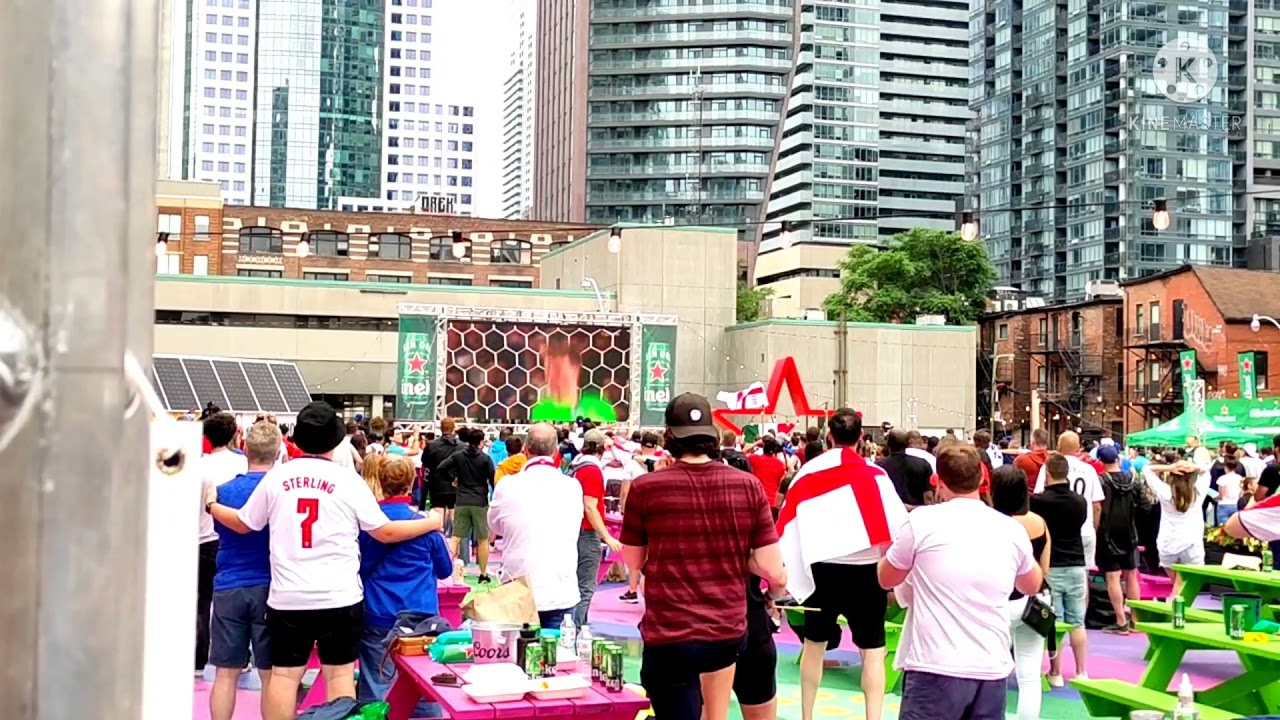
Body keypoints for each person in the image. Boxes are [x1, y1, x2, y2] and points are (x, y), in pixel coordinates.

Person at [204, 401, 443, 720]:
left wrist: (212, 506)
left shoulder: (277, 478)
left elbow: (245, 523)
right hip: (340, 597)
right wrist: (430, 522)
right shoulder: (348, 481)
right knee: (339, 675)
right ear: (336, 440)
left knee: (285, 675)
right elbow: (384, 532)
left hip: (288, 597)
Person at [620, 394, 786, 720]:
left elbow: (633, 560)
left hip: (670, 633)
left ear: (669, 436)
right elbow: (772, 569)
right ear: (710, 435)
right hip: (727, 634)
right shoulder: (748, 486)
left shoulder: (646, 488)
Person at [878, 444, 1042, 720]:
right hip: (990, 665)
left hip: (934, 664)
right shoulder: (1010, 529)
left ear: (939, 482)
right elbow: (1032, 584)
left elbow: (886, 578)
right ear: (981, 477)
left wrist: (888, 551)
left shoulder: (921, 522)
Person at [780, 408, 909, 720]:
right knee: (873, 652)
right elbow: (898, 529)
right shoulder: (875, 475)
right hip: (868, 573)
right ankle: (873, 717)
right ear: (862, 436)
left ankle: (806, 715)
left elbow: (790, 523)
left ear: (829, 437)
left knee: (814, 645)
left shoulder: (807, 474)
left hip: (823, 571)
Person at [357, 456, 453, 711]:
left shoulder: (369, 524)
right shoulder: (426, 527)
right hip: (420, 615)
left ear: (380, 481)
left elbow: (360, 566)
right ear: (411, 483)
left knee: (377, 683)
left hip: (378, 611)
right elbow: (445, 570)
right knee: (423, 683)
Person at [208, 422, 278, 720]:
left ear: (244, 447)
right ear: (278, 453)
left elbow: (221, 530)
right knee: (270, 674)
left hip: (229, 584)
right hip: (270, 586)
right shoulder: (281, 491)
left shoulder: (223, 492)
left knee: (226, 673)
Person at [488, 423, 584, 627]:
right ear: (556, 451)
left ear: (525, 449)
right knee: (558, 656)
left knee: (516, 655)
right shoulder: (572, 486)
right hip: (559, 588)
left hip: (519, 586)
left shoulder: (507, 485)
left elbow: (494, 527)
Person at [989, 465, 1050, 720]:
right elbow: (1044, 569)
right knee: (1030, 675)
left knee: (993, 671)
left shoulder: (992, 525)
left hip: (1001, 601)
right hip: (1035, 601)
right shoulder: (1039, 523)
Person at [1030, 453, 1089, 687]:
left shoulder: (1038, 501)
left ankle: (1055, 671)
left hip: (1051, 565)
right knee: (1077, 621)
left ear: (1048, 473)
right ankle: (1082, 670)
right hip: (1076, 563)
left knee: (1053, 621)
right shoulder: (1080, 502)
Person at [197, 412, 249, 676]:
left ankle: (198, 658)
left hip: (202, 539)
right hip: (232, 537)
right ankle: (239, 656)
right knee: (233, 600)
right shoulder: (242, 466)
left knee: (201, 602)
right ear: (233, 435)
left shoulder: (198, 466)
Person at [1095, 444, 1148, 635]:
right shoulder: (1134, 479)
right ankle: (1135, 620)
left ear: (1101, 462)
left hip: (1107, 532)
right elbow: (1145, 505)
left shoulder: (1100, 481)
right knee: (1132, 575)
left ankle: (1120, 620)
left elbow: (1097, 507)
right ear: (1118, 458)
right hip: (1130, 531)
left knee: (1112, 577)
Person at [571, 429, 621, 626]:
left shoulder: (576, 466)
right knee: (586, 587)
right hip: (586, 532)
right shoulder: (592, 471)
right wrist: (607, 537)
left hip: (575, 530)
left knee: (577, 584)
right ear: (602, 448)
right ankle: (577, 629)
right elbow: (590, 508)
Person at [1034, 431, 1104, 568]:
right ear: (1078, 447)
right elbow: (1097, 506)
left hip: (1056, 532)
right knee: (1083, 578)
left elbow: (1039, 496)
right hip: (1085, 530)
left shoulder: (1049, 467)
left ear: (1059, 446)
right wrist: (1093, 528)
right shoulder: (1089, 470)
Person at [1141, 459, 1209, 595]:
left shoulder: (1165, 492)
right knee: (1183, 586)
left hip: (1168, 544)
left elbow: (1147, 470)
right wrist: (1193, 466)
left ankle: (1176, 610)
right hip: (1192, 544)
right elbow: (1207, 470)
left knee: (1178, 585)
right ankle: (1177, 612)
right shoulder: (1199, 493)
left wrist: (1170, 467)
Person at [440, 427, 497, 583]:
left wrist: (453, 479)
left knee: (456, 536)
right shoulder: (485, 459)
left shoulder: (458, 456)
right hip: (480, 502)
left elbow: (442, 468)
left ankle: (449, 570)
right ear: (480, 443)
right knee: (483, 538)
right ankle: (483, 573)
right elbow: (493, 481)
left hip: (462, 500)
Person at [878, 428, 934, 507]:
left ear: (888, 444)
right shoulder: (923, 464)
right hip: (916, 513)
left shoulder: (878, 467)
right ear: (907, 443)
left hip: (889, 512)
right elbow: (928, 497)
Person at [422, 418, 461, 524]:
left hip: (437, 484)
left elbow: (425, 462)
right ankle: (454, 538)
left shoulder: (432, 445)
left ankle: (440, 536)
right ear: (453, 429)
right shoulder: (462, 446)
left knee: (438, 511)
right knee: (454, 512)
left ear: (441, 428)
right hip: (456, 484)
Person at [747, 435, 788, 517]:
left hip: (757, 500)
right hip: (773, 501)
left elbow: (742, 452)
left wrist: (756, 443)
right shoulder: (780, 465)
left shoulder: (755, 459)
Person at [1217, 454, 1244, 526]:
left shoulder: (1222, 479)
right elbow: (1241, 493)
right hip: (1236, 504)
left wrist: (1214, 497)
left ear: (1225, 467)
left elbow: (1221, 496)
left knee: (1223, 527)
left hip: (1224, 504)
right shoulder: (1240, 478)